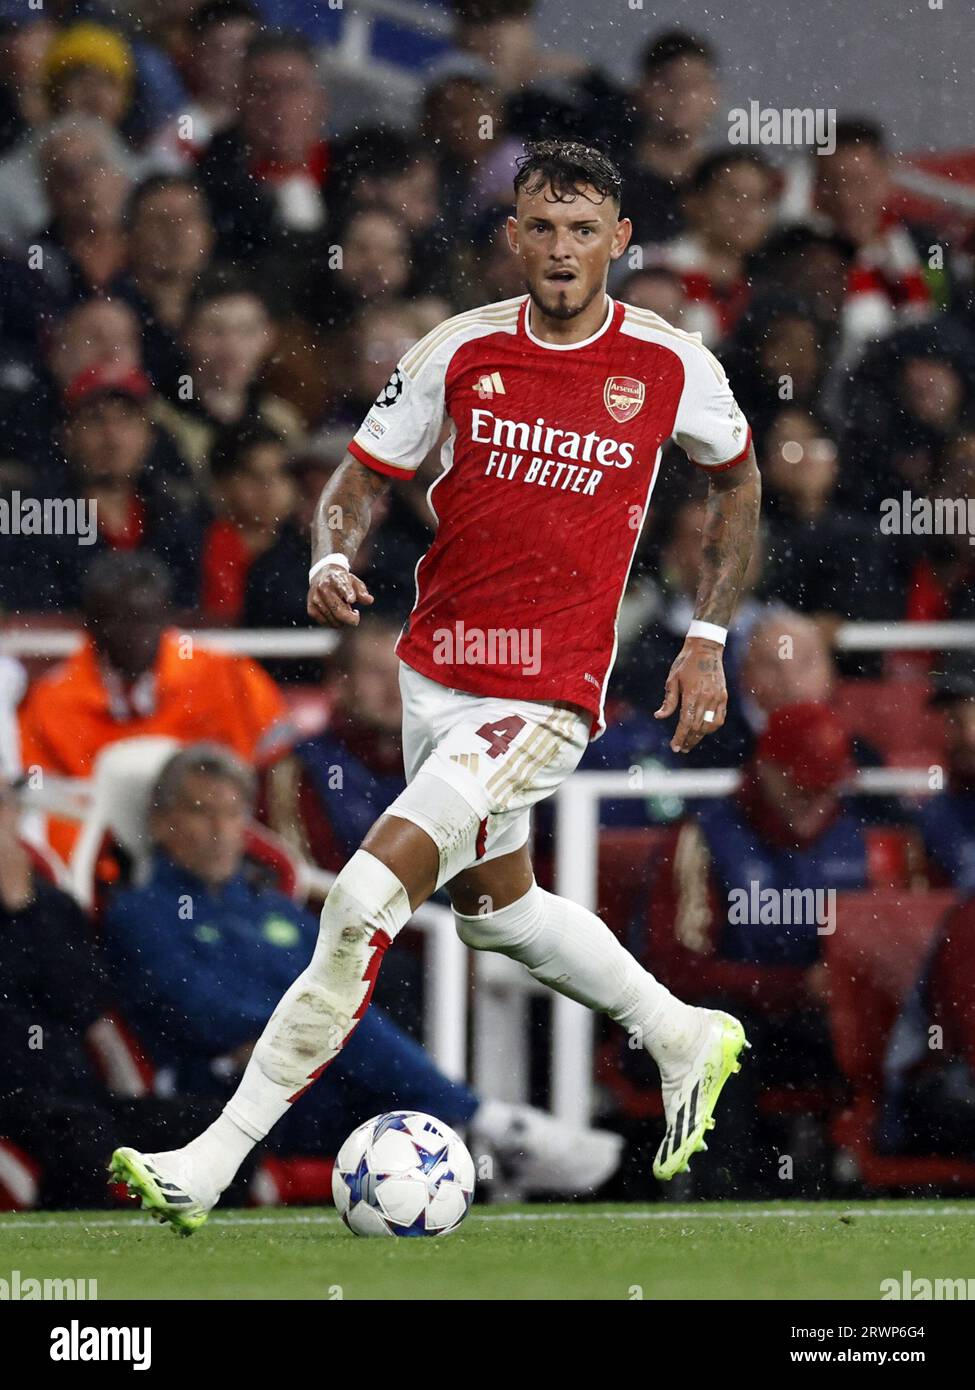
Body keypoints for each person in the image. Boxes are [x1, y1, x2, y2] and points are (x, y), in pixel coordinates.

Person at [110, 138, 762, 1232]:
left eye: (583, 230)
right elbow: (358, 480)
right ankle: (681, 1031)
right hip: (436, 677)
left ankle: (210, 1161)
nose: (561, 250)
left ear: (621, 240)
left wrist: (706, 634)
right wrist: (329, 553)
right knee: (496, 915)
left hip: (545, 694)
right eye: (541, 228)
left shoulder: (670, 364)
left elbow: (738, 485)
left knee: (363, 900)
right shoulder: (456, 350)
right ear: (512, 237)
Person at [104, 744, 620, 1194]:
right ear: (160, 822)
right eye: (201, 813)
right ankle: (483, 1128)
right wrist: (299, 1022)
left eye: (232, 814)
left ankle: (470, 1135)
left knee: (356, 1007)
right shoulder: (138, 912)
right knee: (339, 1017)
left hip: (321, 1075)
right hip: (219, 1089)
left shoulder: (270, 905)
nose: (220, 832)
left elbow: (339, 970)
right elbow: (196, 1011)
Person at [17, 551, 293, 860]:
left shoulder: (224, 676)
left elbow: (280, 770)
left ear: (166, 617)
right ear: (90, 623)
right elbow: (44, 804)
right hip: (106, 867)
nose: (135, 634)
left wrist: (238, 839)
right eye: (117, 618)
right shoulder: (53, 700)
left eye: (145, 618)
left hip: (223, 856)